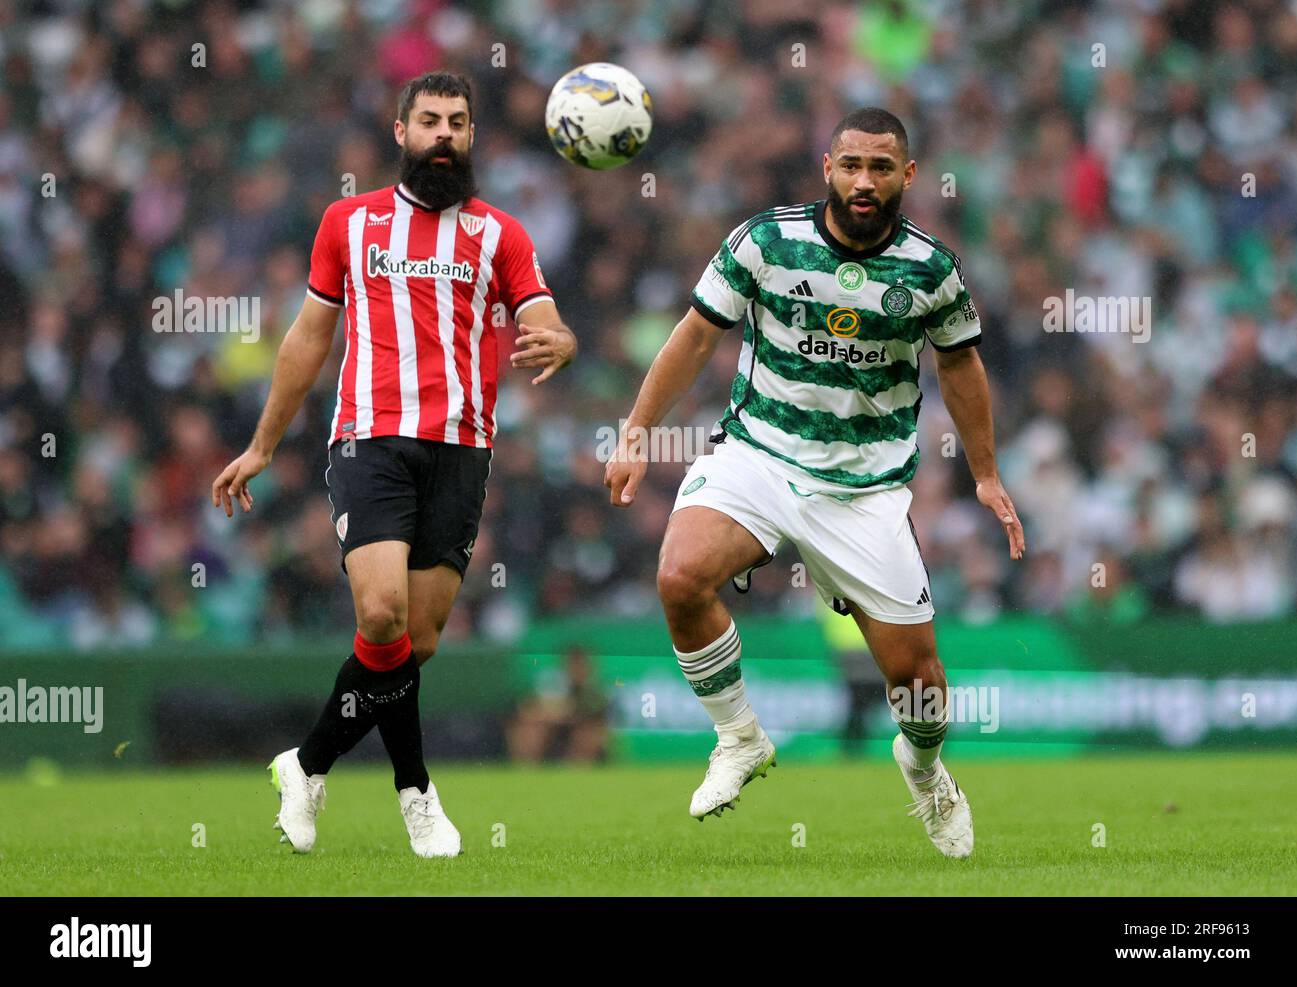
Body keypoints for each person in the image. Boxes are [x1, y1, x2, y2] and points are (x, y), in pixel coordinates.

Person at [604, 107, 1024, 858]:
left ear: (908, 176)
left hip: (864, 490)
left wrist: (986, 473)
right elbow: (698, 332)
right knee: (678, 576)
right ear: (827, 167)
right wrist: (636, 428)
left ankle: (926, 771)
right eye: (852, 165)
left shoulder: (932, 269)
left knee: (920, 689)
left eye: (881, 168)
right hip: (758, 455)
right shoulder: (766, 240)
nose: (865, 182)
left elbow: (961, 366)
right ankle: (739, 737)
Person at [210, 72, 577, 858]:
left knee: (416, 643)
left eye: (458, 122)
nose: (444, 133)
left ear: (472, 136)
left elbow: (540, 309)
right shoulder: (350, 223)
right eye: (430, 121)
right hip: (369, 439)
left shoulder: (500, 235)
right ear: (401, 130)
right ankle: (416, 790)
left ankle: (306, 764)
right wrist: (263, 444)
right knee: (381, 617)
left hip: (463, 450)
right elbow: (309, 337)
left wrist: (562, 337)